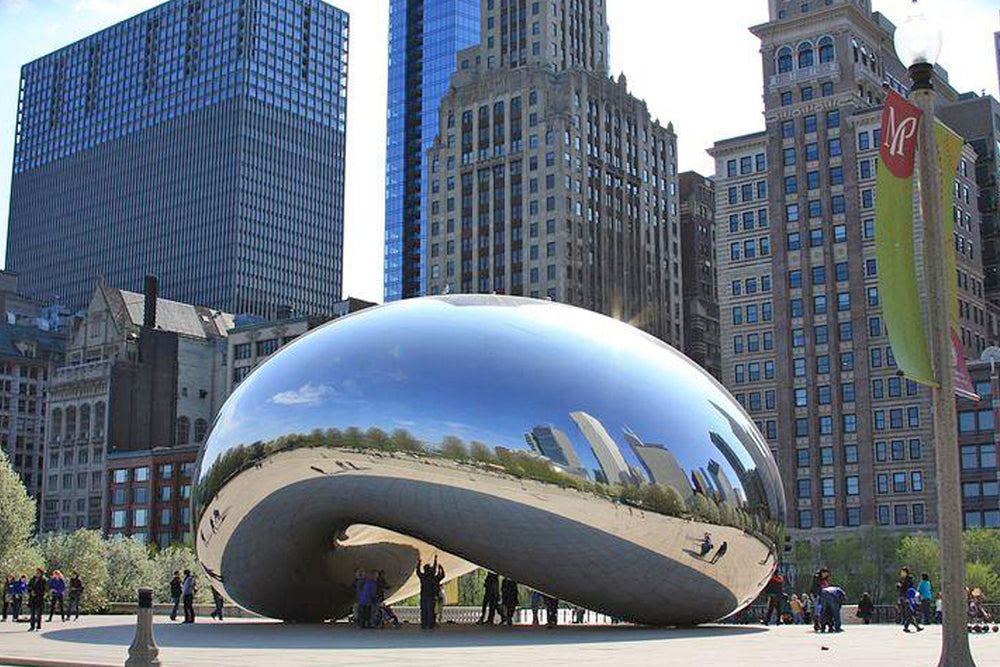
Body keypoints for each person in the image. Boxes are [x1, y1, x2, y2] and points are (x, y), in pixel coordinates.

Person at [416, 555, 444, 629]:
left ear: (425, 570)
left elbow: (418, 572)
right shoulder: (434, 578)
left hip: (424, 596)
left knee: (424, 611)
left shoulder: (423, 577)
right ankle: (430, 625)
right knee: (431, 611)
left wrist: (419, 564)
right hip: (431, 597)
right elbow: (442, 575)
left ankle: (424, 625)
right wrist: (440, 568)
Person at [899, 569, 923, 633]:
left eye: (903, 572)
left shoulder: (908, 580)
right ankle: (916, 627)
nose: (902, 574)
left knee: (910, 612)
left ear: (906, 573)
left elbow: (910, 589)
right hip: (904, 597)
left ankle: (907, 626)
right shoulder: (902, 580)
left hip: (908, 597)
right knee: (910, 613)